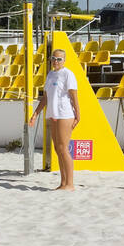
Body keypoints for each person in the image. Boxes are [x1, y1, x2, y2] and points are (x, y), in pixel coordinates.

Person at [27, 47, 79, 191]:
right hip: (53, 113)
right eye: (53, 58)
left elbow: (74, 96)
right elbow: (46, 98)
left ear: (64, 60)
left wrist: (78, 114)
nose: (55, 61)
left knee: (63, 148)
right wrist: (35, 114)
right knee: (58, 148)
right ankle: (63, 183)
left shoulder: (68, 74)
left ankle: (70, 184)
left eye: (59, 59)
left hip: (65, 114)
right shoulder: (50, 74)